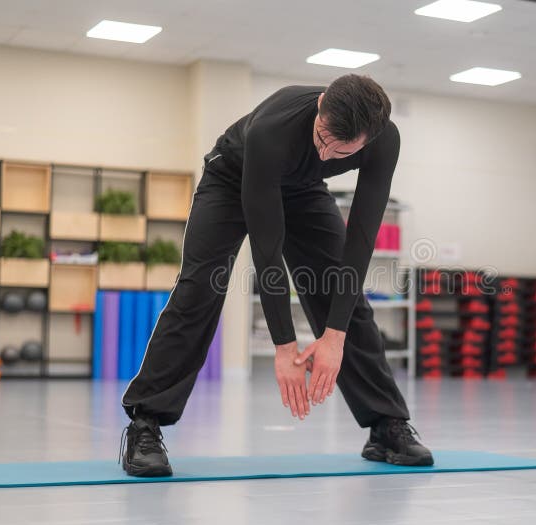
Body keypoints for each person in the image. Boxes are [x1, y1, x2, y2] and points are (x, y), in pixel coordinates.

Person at [119, 74, 433, 477]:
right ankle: (145, 423)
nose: (324, 153)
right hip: (233, 179)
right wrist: (285, 346)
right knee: (200, 289)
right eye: (321, 138)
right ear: (320, 104)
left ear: (369, 138)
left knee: (346, 296)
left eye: (340, 151)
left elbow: (361, 236)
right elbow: (267, 251)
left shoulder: (385, 140)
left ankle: (386, 425)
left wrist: (333, 337)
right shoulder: (273, 128)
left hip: (302, 190)